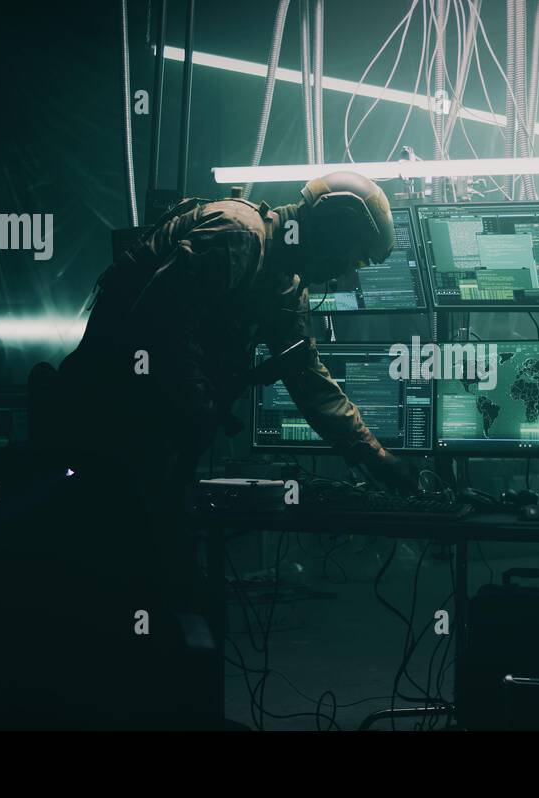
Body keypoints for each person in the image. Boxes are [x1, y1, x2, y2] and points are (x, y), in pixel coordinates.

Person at [29, 171, 417, 605]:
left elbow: (308, 379)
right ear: (333, 228)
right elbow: (159, 326)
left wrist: (374, 455)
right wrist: (199, 406)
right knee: (117, 577)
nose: (348, 272)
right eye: (355, 257)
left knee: (153, 577)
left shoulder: (283, 282)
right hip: (104, 427)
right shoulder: (238, 234)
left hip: (148, 436)